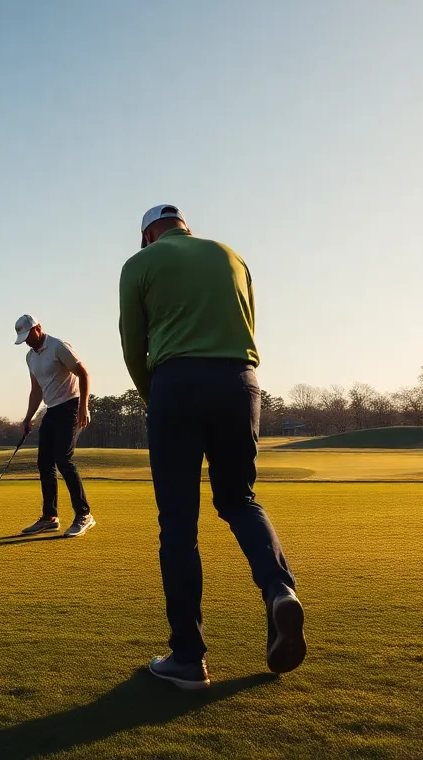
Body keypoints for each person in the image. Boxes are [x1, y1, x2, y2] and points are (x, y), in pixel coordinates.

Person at [118, 204, 305, 690]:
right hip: (240, 381)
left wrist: (153, 395)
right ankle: (279, 589)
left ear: (147, 235)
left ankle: (188, 658)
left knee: (178, 522)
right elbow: (250, 324)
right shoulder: (232, 256)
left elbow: (132, 343)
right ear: (187, 227)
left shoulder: (140, 263)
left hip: (176, 382)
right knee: (239, 498)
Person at [14, 314, 96, 538]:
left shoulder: (59, 346)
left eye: (28, 336)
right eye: (22, 339)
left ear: (38, 328)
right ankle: (50, 517)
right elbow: (37, 390)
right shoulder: (30, 357)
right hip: (51, 411)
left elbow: (83, 373)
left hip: (70, 406)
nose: (26, 342)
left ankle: (84, 514)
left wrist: (83, 407)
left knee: (64, 460)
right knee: (44, 463)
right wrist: (28, 417)